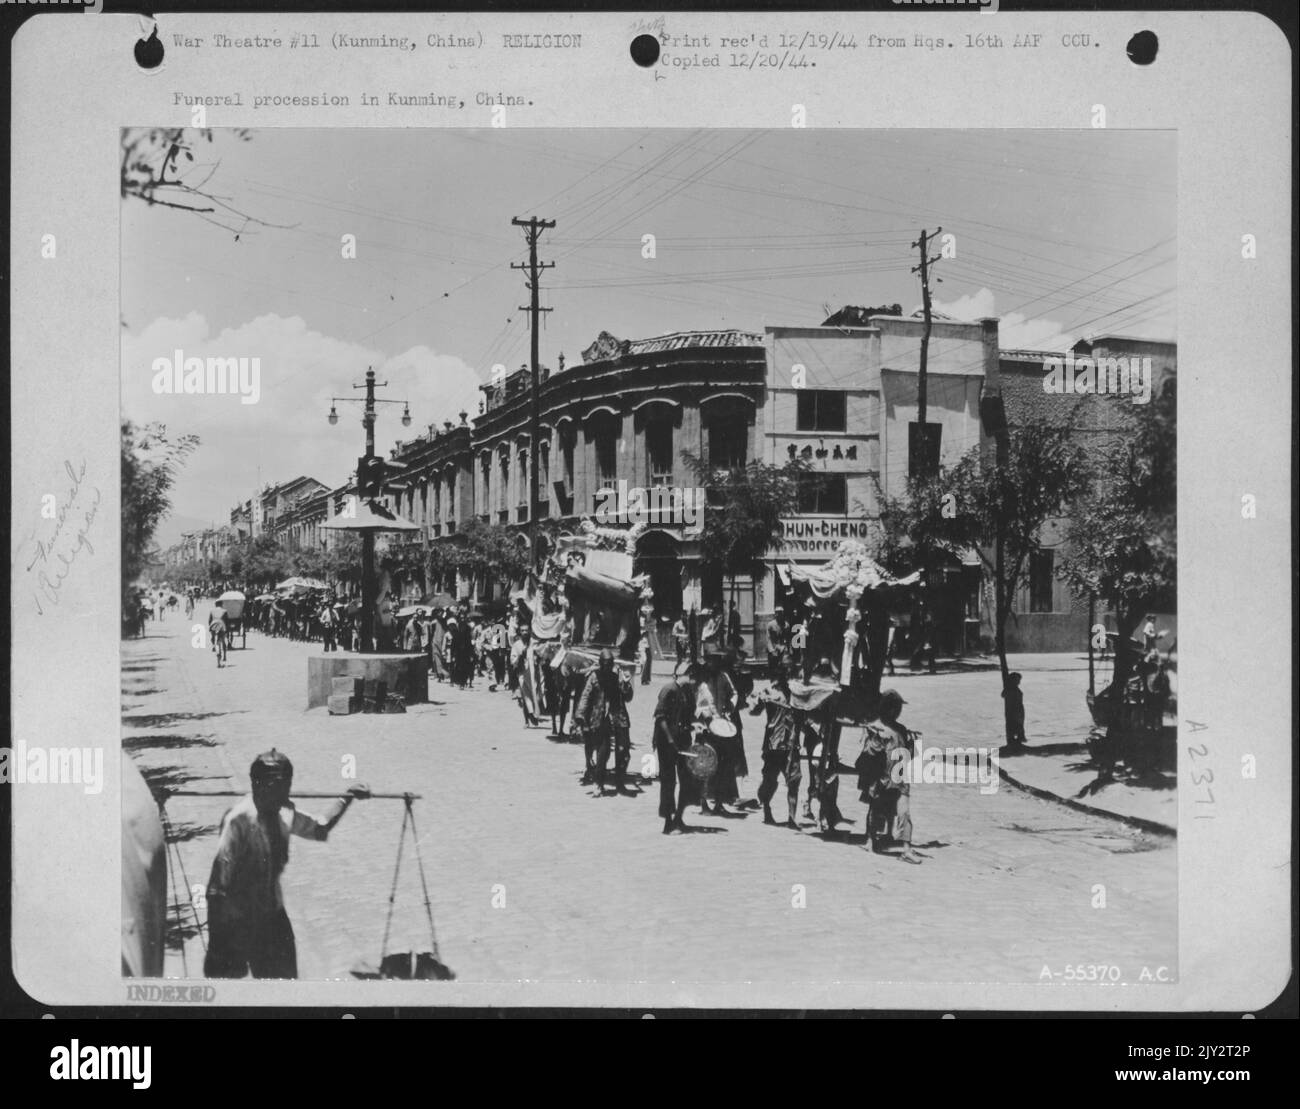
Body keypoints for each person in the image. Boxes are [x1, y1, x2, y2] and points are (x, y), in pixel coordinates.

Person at [204, 750, 369, 978]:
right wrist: (218, 944)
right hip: (238, 920)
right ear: (258, 784)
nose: (284, 791)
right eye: (277, 785)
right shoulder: (238, 821)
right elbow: (216, 888)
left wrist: (346, 798)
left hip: (273, 917)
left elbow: (319, 828)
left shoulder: (284, 813)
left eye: (287, 784)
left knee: (285, 989)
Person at [857, 690, 921, 863]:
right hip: (881, 778)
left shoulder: (901, 730)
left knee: (904, 812)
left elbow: (910, 754)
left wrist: (913, 741)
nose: (897, 711)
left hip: (900, 780)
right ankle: (870, 840)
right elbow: (869, 754)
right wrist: (875, 739)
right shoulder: (878, 728)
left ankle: (906, 848)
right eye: (895, 707)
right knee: (875, 808)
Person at [653, 664, 705, 834]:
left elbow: (688, 716)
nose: (696, 684)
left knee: (686, 780)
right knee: (668, 782)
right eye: (695, 679)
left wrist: (694, 725)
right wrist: (670, 741)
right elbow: (660, 718)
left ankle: (679, 818)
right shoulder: (668, 690)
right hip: (666, 743)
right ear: (689, 675)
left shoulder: (688, 692)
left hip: (683, 741)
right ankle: (668, 821)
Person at [575, 649, 635, 795]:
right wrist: (580, 715)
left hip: (618, 717)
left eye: (610, 664)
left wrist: (626, 684)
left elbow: (628, 697)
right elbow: (585, 696)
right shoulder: (594, 677)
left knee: (623, 751)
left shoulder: (617, 677)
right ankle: (599, 782)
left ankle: (619, 782)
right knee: (603, 752)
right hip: (600, 718)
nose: (607, 666)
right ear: (601, 663)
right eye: (605, 663)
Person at [751, 664, 803, 828]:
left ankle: (792, 818)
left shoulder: (797, 693)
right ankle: (768, 811)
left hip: (790, 743)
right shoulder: (769, 693)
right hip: (774, 744)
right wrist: (761, 700)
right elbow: (754, 711)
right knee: (770, 780)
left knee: (793, 780)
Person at [1002, 671, 1027, 747]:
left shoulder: (1014, 688)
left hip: (1018, 709)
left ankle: (1018, 741)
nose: (1019, 682)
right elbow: (1004, 695)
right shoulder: (1010, 688)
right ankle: (1014, 742)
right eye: (1018, 680)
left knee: (1018, 725)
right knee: (1015, 725)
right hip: (1013, 710)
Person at [208, 602, 229, 668]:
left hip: (213, 626)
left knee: (216, 642)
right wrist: (226, 630)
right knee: (222, 641)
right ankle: (224, 657)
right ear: (221, 605)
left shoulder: (212, 611)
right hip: (222, 626)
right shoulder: (224, 611)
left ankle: (214, 645)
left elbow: (209, 621)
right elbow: (227, 621)